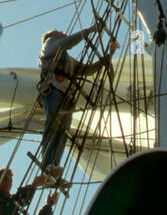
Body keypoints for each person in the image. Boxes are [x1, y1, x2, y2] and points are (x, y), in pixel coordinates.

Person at [38, 24, 114, 179]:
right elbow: (66, 43)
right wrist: (89, 31)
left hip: (67, 95)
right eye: (58, 31)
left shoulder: (67, 59)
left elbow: (87, 70)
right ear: (51, 35)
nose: (62, 32)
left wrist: (108, 55)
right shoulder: (50, 44)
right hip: (53, 90)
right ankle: (47, 165)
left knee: (62, 131)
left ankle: (54, 167)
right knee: (53, 126)